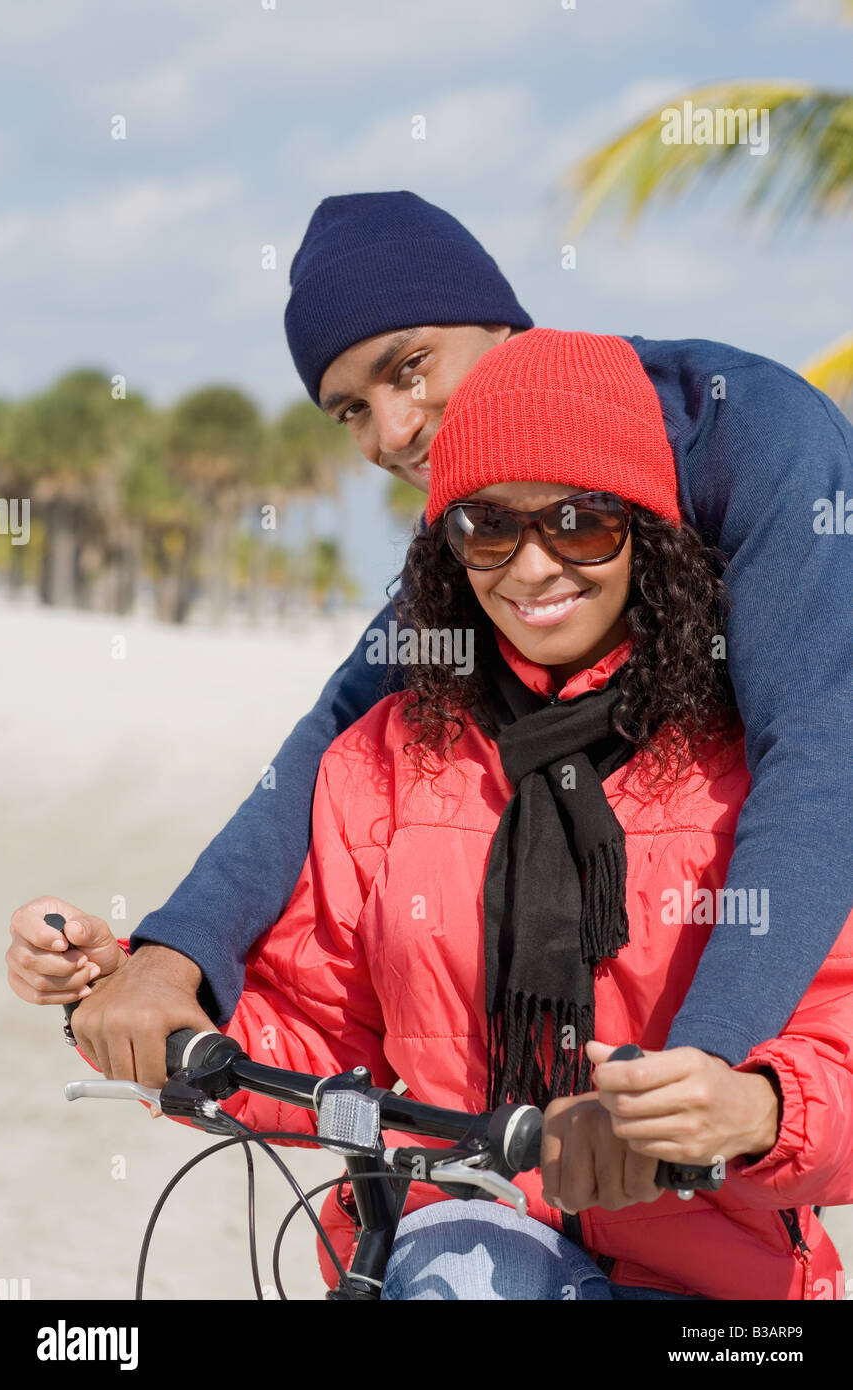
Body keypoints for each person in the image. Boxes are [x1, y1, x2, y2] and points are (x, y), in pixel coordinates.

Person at [53, 330, 853, 1299]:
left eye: (580, 522)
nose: (529, 567)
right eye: (488, 527)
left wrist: (752, 1107)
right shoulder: (382, 762)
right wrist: (144, 1016)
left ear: (651, 532)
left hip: (717, 1289)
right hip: (455, 1250)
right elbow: (322, 1032)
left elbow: (829, 1052)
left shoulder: (749, 784)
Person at [7, 192, 853, 1104]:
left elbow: (821, 748)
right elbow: (336, 730)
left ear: (505, 327)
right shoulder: (470, 531)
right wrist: (172, 958)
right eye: (350, 412)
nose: (392, 431)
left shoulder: (751, 432)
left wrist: (712, 1068)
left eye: (408, 367)